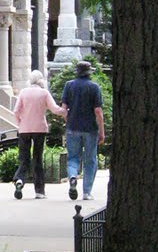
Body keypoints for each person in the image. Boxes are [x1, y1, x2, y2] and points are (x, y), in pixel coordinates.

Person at [12, 70, 63, 199]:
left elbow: (16, 111)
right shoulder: (44, 93)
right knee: (37, 159)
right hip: (40, 128)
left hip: (24, 129)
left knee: (24, 158)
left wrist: (20, 124)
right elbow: (54, 109)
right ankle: (39, 191)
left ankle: (19, 179)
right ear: (41, 80)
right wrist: (66, 111)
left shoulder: (23, 92)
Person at [62, 60, 105, 201]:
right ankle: (87, 192)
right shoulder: (94, 87)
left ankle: (72, 176)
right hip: (90, 128)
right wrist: (102, 131)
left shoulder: (69, 85)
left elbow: (64, 109)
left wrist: (68, 121)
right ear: (89, 73)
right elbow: (98, 111)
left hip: (72, 127)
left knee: (73, 157)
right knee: (90, 160)